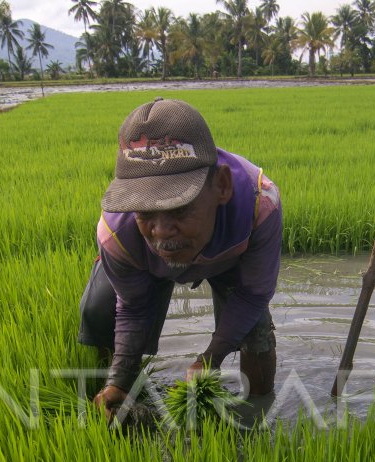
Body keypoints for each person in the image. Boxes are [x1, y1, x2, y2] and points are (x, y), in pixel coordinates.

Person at [79, 97, 283, 417]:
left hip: (228, 257)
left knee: (254, 330)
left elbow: (253, 293)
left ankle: (257, 414)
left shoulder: (259, 205)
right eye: (146, 212)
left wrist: (210, 359)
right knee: (100, 307)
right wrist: (120, 378)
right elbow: (133, 306)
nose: (161, 232)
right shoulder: (116, 231)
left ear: (222, 187)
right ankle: (117, 392)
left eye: (179, 207)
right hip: (145, 266)